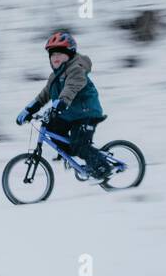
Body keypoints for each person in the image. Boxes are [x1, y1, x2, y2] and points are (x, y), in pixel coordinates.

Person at [15, 31, 110, 179]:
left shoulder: (76, 69)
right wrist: (29, 110)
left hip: (87, 113)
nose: (55, 57)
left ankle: (103, 167)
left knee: (79, 144)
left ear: (70, 54)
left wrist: (59, 104)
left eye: (60, 53)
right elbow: (44, 95)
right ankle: (72, 155)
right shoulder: (55, 76)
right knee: (53, 127)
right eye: (52, 55)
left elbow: (70, 89)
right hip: (71, 114)